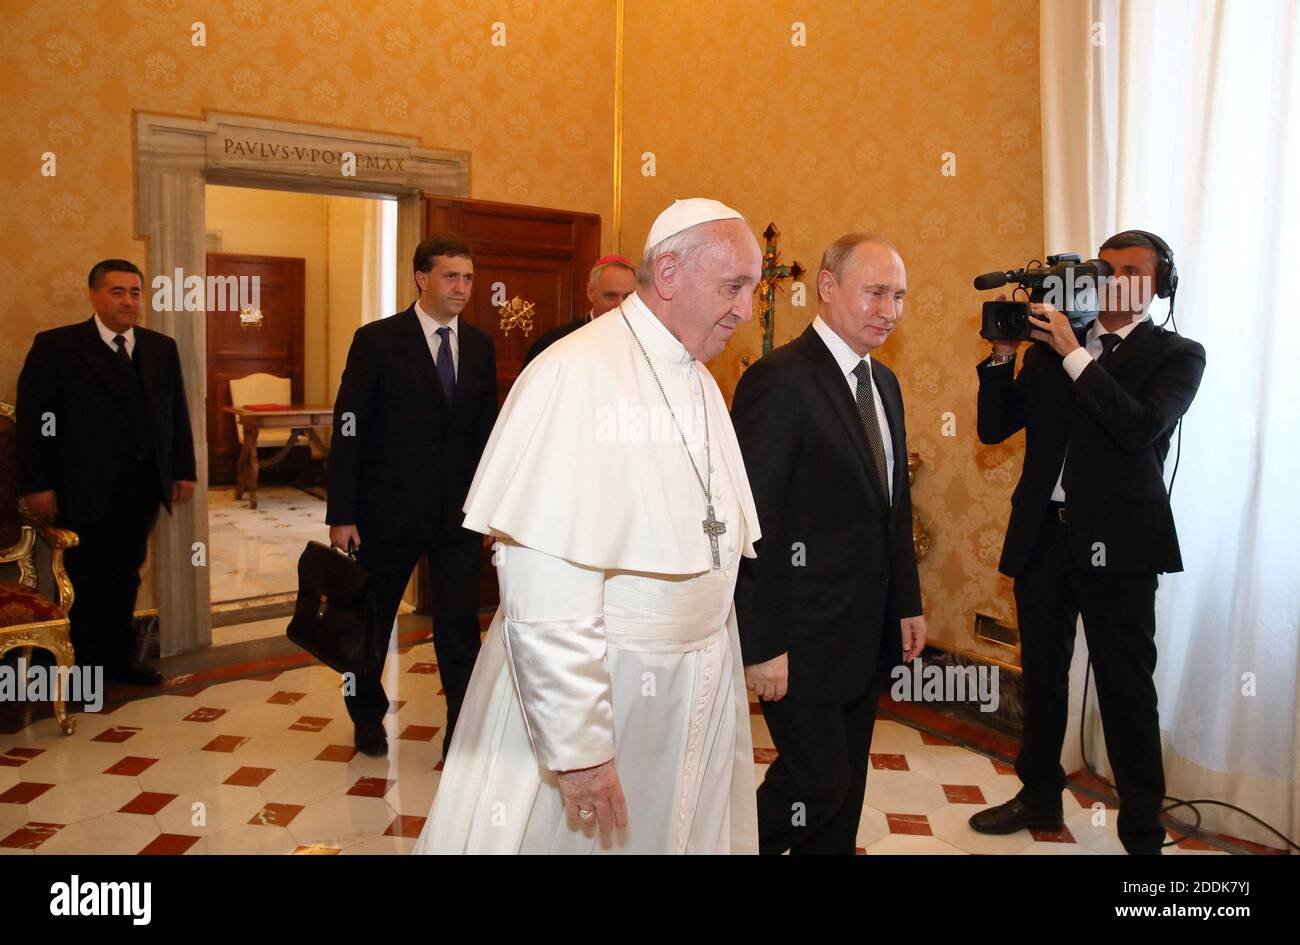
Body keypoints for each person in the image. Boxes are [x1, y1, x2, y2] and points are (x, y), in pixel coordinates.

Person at [415, 198, 763, 854]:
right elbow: (545, 588)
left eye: (752, 288)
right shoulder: (574, 373)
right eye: (732, 287)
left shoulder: (701, 380)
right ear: (668, 275)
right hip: (607, 690)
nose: (745, 309)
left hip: (694, 688)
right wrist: (579, 751)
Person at [970, 230, 1205, 854]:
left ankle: (1141, 833)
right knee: (1042, 676)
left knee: (1126, 689)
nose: (1117, 279)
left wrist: (1078, 353)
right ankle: (1038, 794)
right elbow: (994, 430)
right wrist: (1000, 356)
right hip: (1045, 537)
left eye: (1134, 271)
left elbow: (1138, 427)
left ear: (1160, 286)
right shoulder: (1047, 350)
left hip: (1121, 547)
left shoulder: (1177, 354)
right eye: (1109, 268)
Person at [732, 233, 927, 854]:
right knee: (818, 783)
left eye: (898, 295)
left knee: (846, 790)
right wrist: (761, 645)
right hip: (799, 639)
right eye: (875, 291)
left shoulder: (885, 383)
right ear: (827, 287)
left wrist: (908, 603)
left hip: (865, 633)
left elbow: (892, 508)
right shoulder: (779, 380)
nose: (889, 309)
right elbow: (752, 522)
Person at [326, 234, 498, 758]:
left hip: (459, 517)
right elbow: (349, 427)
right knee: (371, 626)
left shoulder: (480, 345)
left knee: (459, 630)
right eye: (451, 276)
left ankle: (461, 731)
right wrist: (343, 512)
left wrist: (492, 508)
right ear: (422, 278)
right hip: (386, 514)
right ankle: (366, 717)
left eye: (468, 278)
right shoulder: (377, 340)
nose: (462, 288)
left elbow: (488, 433)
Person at [17, 259, 197, 686]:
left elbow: (176, 414)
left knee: (125, 575)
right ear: (94, 295)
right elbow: (35, 422)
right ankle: (80, 673)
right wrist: (37, 485)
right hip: (80, 489)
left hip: (140, 489)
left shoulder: (159, 348)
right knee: (84, 580)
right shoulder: (57, 346)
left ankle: (121, 661)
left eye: (135, 292)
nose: (129, 301)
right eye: (118, 292)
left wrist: (182, 469)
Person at [521, 255, 636, 368]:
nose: (620, 305)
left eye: (627, 297)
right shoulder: (554, 343)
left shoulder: (644, 342)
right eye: (610, 296)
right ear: (590, 292)